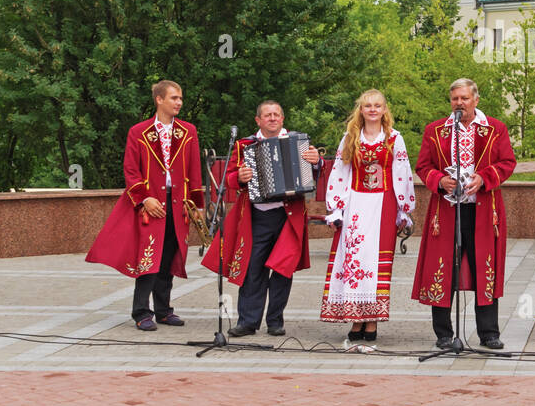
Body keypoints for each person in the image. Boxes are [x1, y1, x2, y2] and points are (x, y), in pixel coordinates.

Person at [87, 80, 204, 330]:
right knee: (149, 257)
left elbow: (194, 171)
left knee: (170, 257)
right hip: (150, 204)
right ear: (159, 100)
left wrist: (195, 204)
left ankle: (163, 310)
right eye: (174, 98)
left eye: (181, 98)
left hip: (177, 202)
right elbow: (130, 170)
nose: (179, 102)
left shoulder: (188, 131)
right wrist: (144, 198)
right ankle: (141, 312)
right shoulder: (138, 132)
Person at [201, 100, 321, 337]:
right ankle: (248, 321)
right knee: (253, 269)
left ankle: (275, 321)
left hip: (288, 217)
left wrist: (317, 162)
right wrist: (241, 177)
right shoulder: (245, 145)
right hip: (257, 216)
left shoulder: (298, 142)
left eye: (277, 114)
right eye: (268, 115)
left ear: (282, 118)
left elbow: (315, 171)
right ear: (258, 120)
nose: (273, 118)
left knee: (282, 269)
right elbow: (230, 178)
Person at [413, 78, 516, 350]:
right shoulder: (436, 131)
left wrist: (483, 178)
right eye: (455, 98)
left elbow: (507, 162)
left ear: (476, 100)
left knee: (486, 268)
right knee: (443, 269)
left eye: (464, 98)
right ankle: (444, 334)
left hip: (483, 212)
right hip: (446, 211)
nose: (459, 103)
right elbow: (423, 166)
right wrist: (438, 180)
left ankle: (488, 333)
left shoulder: (495, 129)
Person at [320, 89, 416, 342]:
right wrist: (336, 206)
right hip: (355, 203)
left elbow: (402, 173)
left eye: (377, 105)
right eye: (367, 106)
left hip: (383, 205)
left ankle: (371, 321)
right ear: (360, 110)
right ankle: (355, 318)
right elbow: (339, 172)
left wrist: (404, 208)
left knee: (376, 263)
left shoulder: (394, 138)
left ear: (385, 110)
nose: (372, 109)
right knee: (354, 261)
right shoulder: (350, 138)